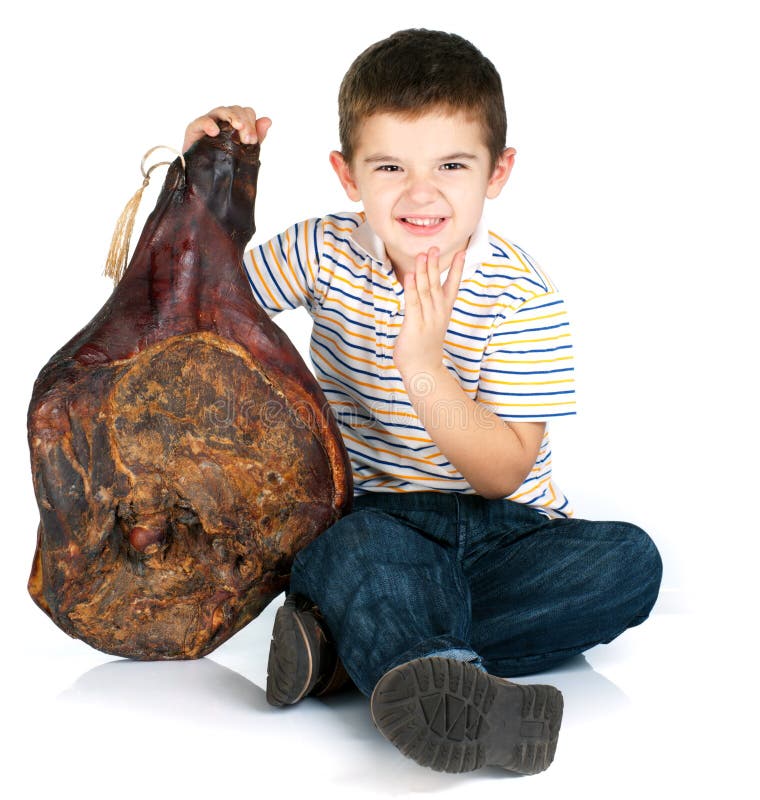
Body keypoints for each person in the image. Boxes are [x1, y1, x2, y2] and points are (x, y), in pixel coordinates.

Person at [182, 28, 662, 776]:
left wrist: (422, 366)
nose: (421, 193)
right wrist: (205, 179)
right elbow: (197, 315)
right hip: (375, 516)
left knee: (627, 564)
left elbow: (502, 473)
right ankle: (432, 671)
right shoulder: (322, 251)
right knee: (354, 554)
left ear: (497, 172)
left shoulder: (522, 297)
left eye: (451, 165)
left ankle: (356, 654)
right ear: (347, 176)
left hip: (506, 530)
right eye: (390, 167)